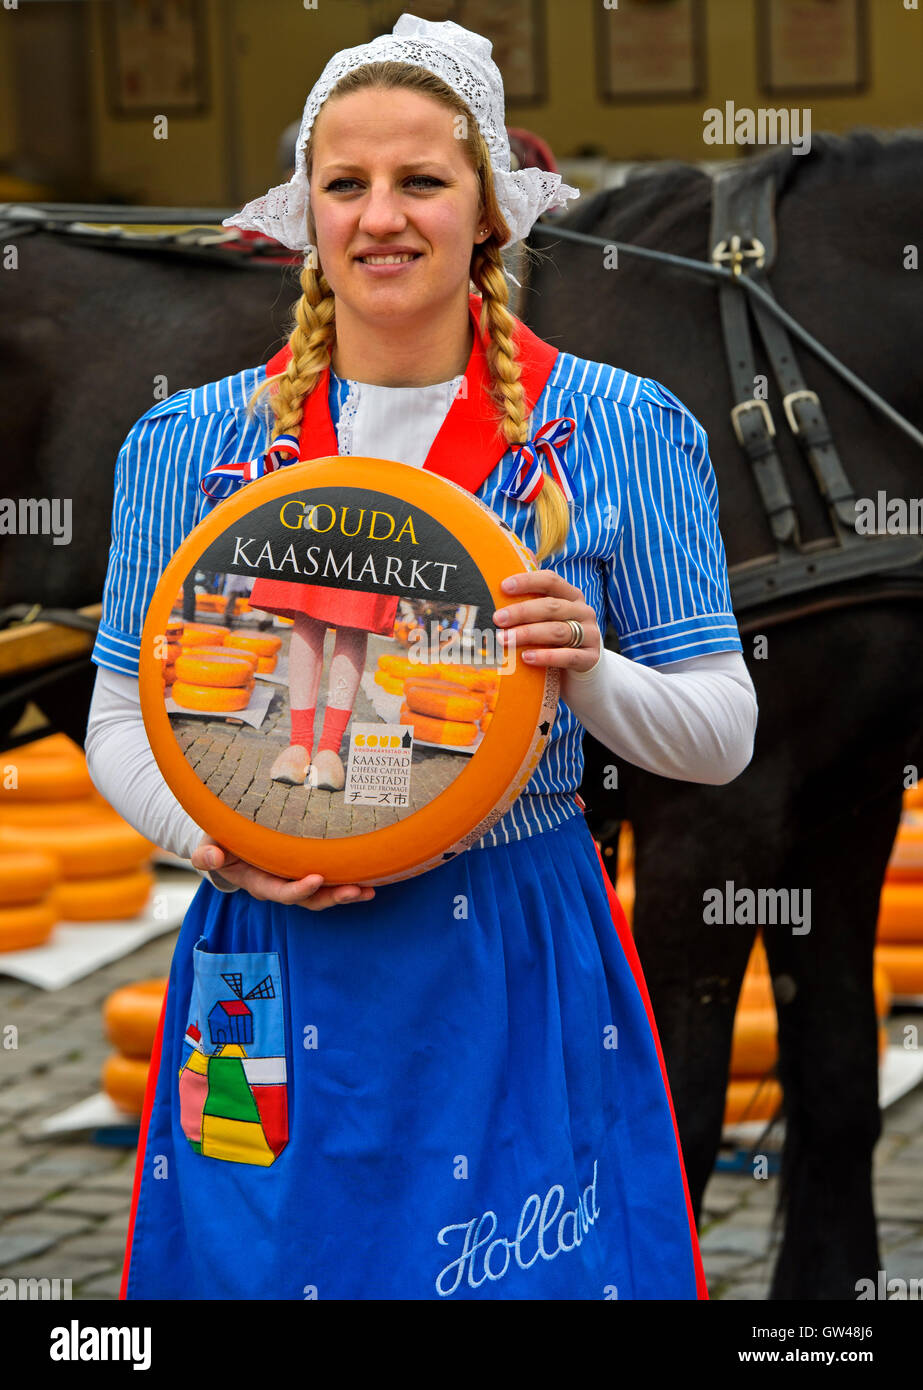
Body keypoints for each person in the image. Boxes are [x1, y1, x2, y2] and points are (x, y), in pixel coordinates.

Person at [85, 13, 757, 1300]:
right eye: (346, 183)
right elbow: (122, 711)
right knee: (259, 1265)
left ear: (490, 211)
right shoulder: (187, 443)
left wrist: (589, 669)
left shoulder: (617, 428)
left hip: (506, 935)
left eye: (422, 180)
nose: (380, 217)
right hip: (268, 943)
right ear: (308, 215)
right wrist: (218, 841)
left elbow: (720, 733)